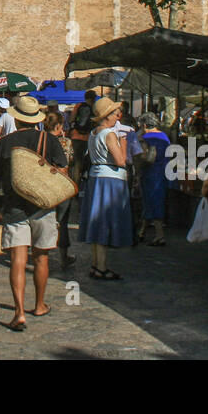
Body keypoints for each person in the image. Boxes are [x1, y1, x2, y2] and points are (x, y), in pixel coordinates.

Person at [0, 95, 68, 330]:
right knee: (41, 257)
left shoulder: (3, 143)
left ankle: (19, 312)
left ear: (17, 118)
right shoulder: (49, 140)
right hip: (43, 206)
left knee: (17, 260)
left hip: (13, 206)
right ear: (37, 119)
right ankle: (40, 304)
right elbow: (62, 169)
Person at [79, 97, 131, 279]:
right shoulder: (109, 134)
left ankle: (96, 264)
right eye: (116, 114)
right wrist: (123, 144)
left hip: (96, 178)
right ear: (108, 115)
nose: (118, 117)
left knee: (96, 221)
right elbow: (120, 160)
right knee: (104, 222)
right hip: (110, 180)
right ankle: (101, 266)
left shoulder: (94, 132)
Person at [43, 110, 76, 269]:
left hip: (44, 185)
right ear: (59, 125)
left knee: (44, 220)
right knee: (62, 222)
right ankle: (63, 257)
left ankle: (43, 256)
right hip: (62, 186)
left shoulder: (40, 141)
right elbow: (70, 161)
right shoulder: (66, 143)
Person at [135, 114, 171, 246]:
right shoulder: (165, 136)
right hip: (163, 173)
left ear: (144, 125)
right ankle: (142, 232)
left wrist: (137, 172)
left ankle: (160, 236)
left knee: (152, 203)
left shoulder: (145, 138)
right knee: (153, 202)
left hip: (150, 174)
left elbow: (145, 157)